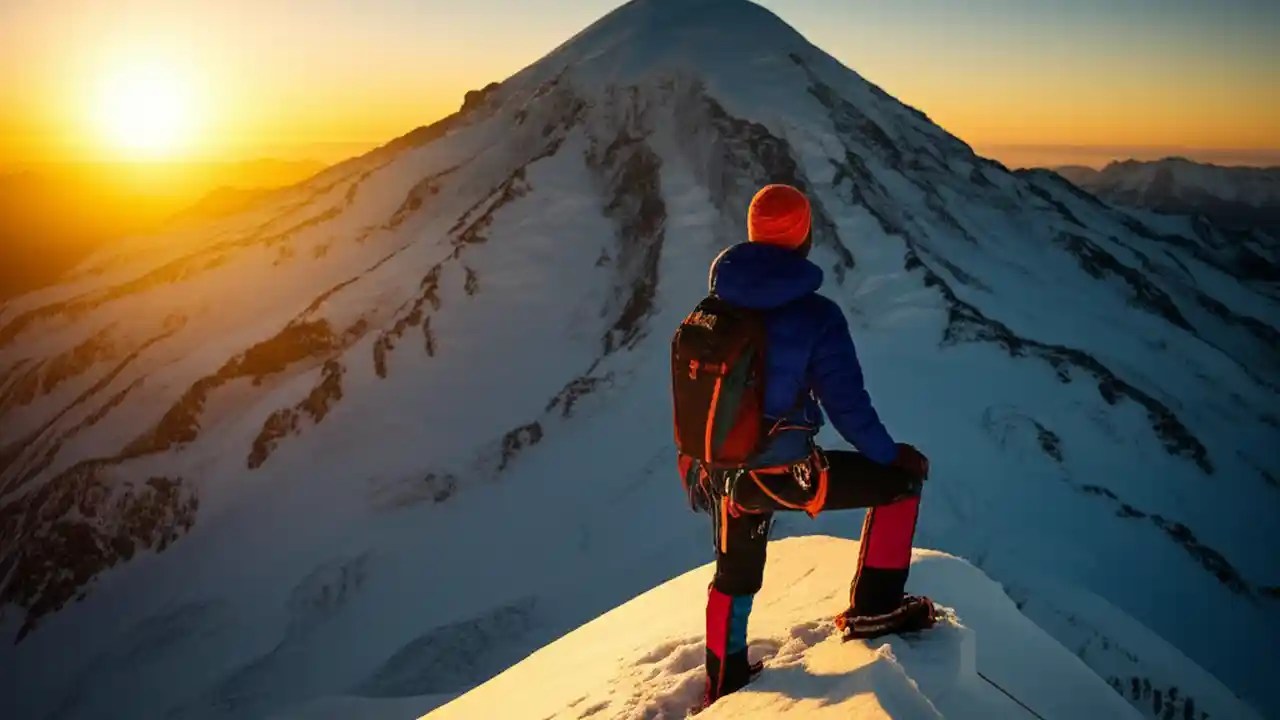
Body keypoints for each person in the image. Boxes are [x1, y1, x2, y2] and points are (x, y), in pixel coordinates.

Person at [675, 184, 934, 705]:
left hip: (721, 470)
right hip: (786, 474)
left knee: (735, 576)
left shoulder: (713, 306)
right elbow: (848, 407)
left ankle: (723, 680)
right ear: (805, 236)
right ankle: (875, 608)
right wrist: (891, 457)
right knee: (900, 486)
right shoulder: (816, 316)